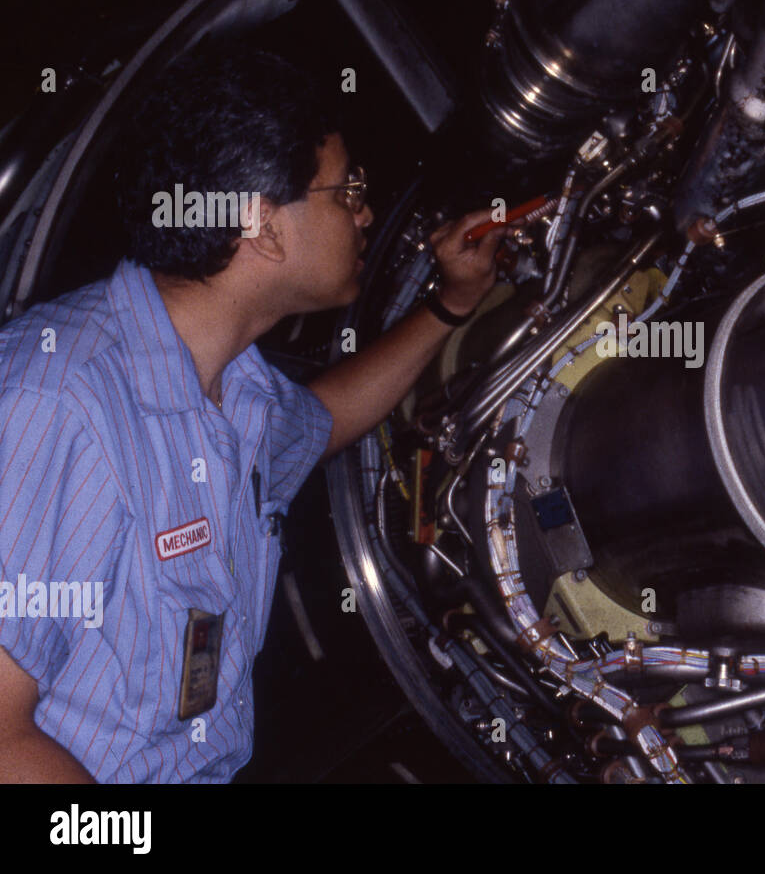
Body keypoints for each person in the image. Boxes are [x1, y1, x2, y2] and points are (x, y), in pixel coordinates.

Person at [0, 47, 502, 782]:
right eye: (346, 190)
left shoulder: (237, 389)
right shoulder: (53, 401)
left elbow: (329, 418)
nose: (365, 211)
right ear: (264, 226)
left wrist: (449, 304)